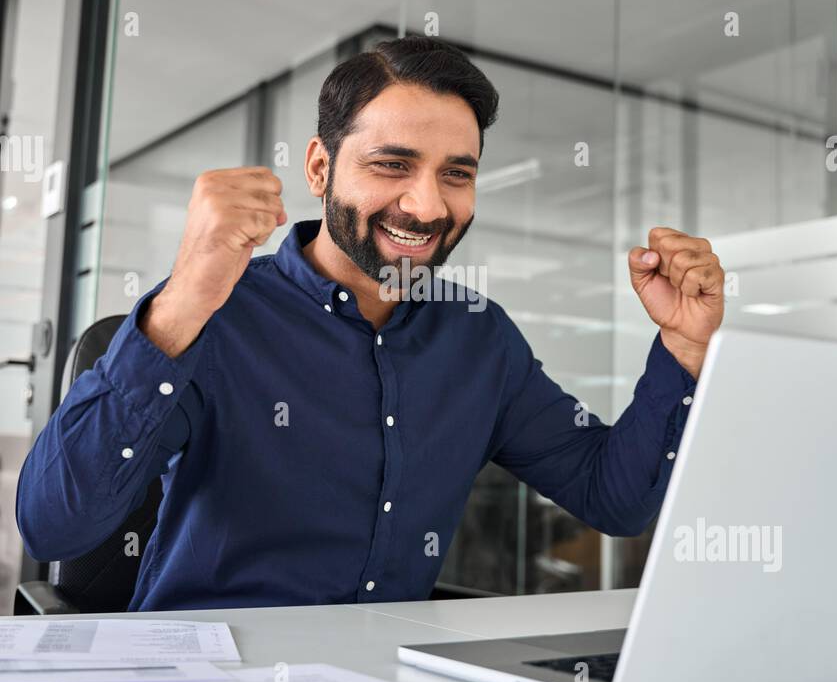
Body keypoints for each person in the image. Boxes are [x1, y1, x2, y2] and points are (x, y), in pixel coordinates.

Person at [16, 36, 724, 610]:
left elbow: (616, 498)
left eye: (457, 173)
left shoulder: (480, 339)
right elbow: (56, 524)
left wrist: (684, 348)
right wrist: (182, 304)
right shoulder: (219, 315)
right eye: (393, 164)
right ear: (320, 168)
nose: (426, 205)